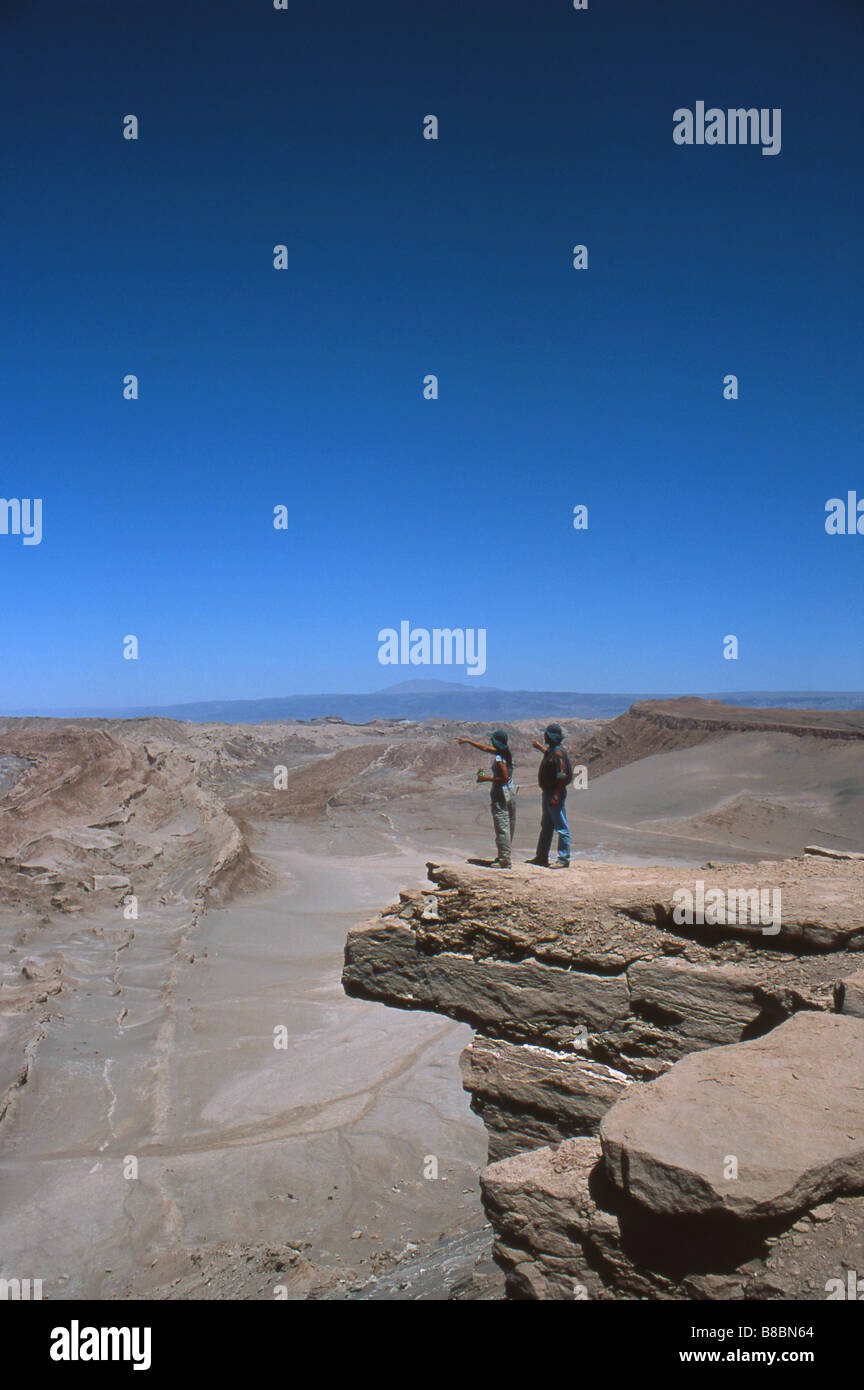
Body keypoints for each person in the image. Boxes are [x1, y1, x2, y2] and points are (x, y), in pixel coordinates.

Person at [457, 730, 516, 868]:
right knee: (508, 826)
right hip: (510, 792)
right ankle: (504, 856)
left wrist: (485, 779)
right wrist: (469, 741)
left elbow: (504, 777)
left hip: (501, 794)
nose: (490, 742)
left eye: (492, 740)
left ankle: (504, 860)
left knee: (502, 826)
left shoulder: (500, 757)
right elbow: (485, 748)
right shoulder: (506, 753)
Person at [529, 723, 571, 868]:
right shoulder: (553, 751)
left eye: (546, 734)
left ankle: (564, 859)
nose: (544, 736)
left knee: (561, 827)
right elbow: (548, 754)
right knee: (546, 826)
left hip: (554, 794)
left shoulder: (558, 753)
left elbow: (562, 776)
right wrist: (540, 747)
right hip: (548, 793)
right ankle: (541, 857)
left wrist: (556, 795)